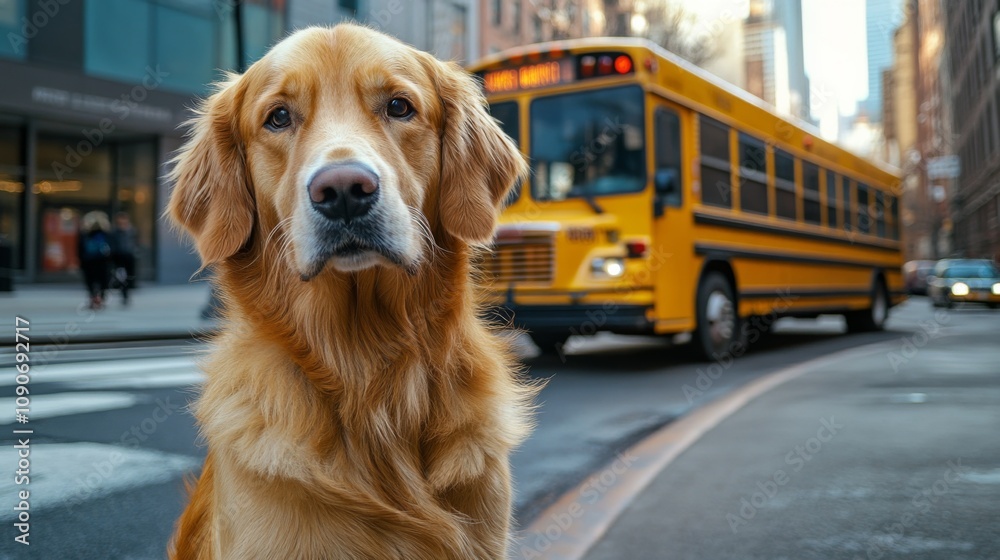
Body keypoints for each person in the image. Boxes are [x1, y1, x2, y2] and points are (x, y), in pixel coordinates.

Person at [78, 211, 112, 310]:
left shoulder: (86, 234)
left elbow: (80, 249)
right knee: (103, 281)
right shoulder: (106, 234)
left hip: (89, 261)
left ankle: (93, 297)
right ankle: (100, 298)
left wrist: (81, 261)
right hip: (103, 261)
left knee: (91, 281)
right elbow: (112, 248)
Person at [110, 212, 138, 305]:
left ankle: (127, 290)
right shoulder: (114, 232)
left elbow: (135, 243)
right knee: (122, 276)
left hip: (129, 256)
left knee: (130, 276)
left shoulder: (131, 231)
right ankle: (124, 293)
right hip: (118, 257)